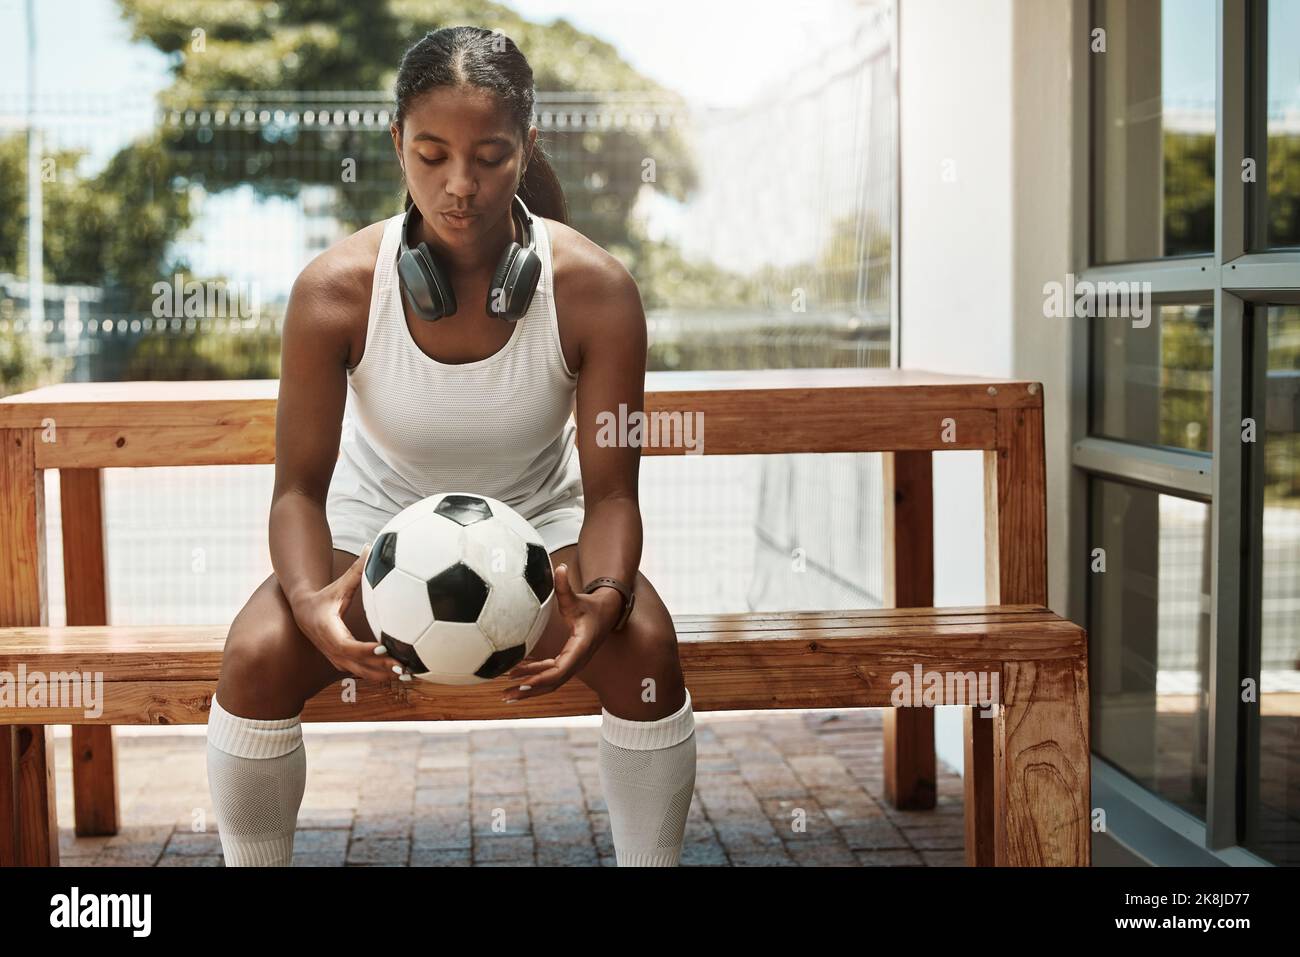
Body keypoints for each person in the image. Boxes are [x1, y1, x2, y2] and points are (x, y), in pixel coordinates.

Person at [205, 25, 696, 868]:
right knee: (255, 653)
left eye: (491, 155)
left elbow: (613, 495)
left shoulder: (596, 290)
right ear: (396, 141)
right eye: (430, 154)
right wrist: (310, 598)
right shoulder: (334, 291)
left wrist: (606, 599)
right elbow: (297, 492)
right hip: (374, 537)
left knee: (646, 644)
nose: (459, 185)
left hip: (542, 527)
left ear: (529, 146)